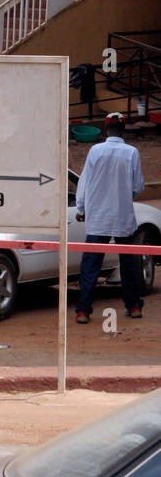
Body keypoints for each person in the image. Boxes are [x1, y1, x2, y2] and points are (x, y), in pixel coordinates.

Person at [75, 113, 147, 322]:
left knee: (91, 266)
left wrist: (81, 208)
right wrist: (124, 196)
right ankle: (134, 306)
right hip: (122, 217)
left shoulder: (95, 151)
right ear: (123, 130)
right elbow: (138, 187)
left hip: (98, 218)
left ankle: (83, 310)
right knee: (128, 263)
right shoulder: (132, 153)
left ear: (106, 130)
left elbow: (84, 183)